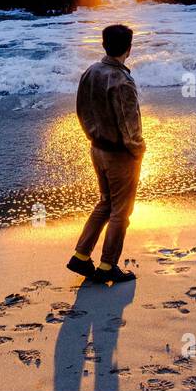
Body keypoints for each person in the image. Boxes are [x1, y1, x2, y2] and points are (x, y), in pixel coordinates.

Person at [67, 23, 145, 284]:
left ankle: (81, 256)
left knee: (105, 203)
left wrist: (92, 136)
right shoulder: (122, 80)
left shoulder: (91, 72)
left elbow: (81, 110)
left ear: (103, 45)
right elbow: (129, 124)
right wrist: (138, 150)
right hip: (119, 154)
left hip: (96, 149)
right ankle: (107, 265)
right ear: (129, 49)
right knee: (121, 211)